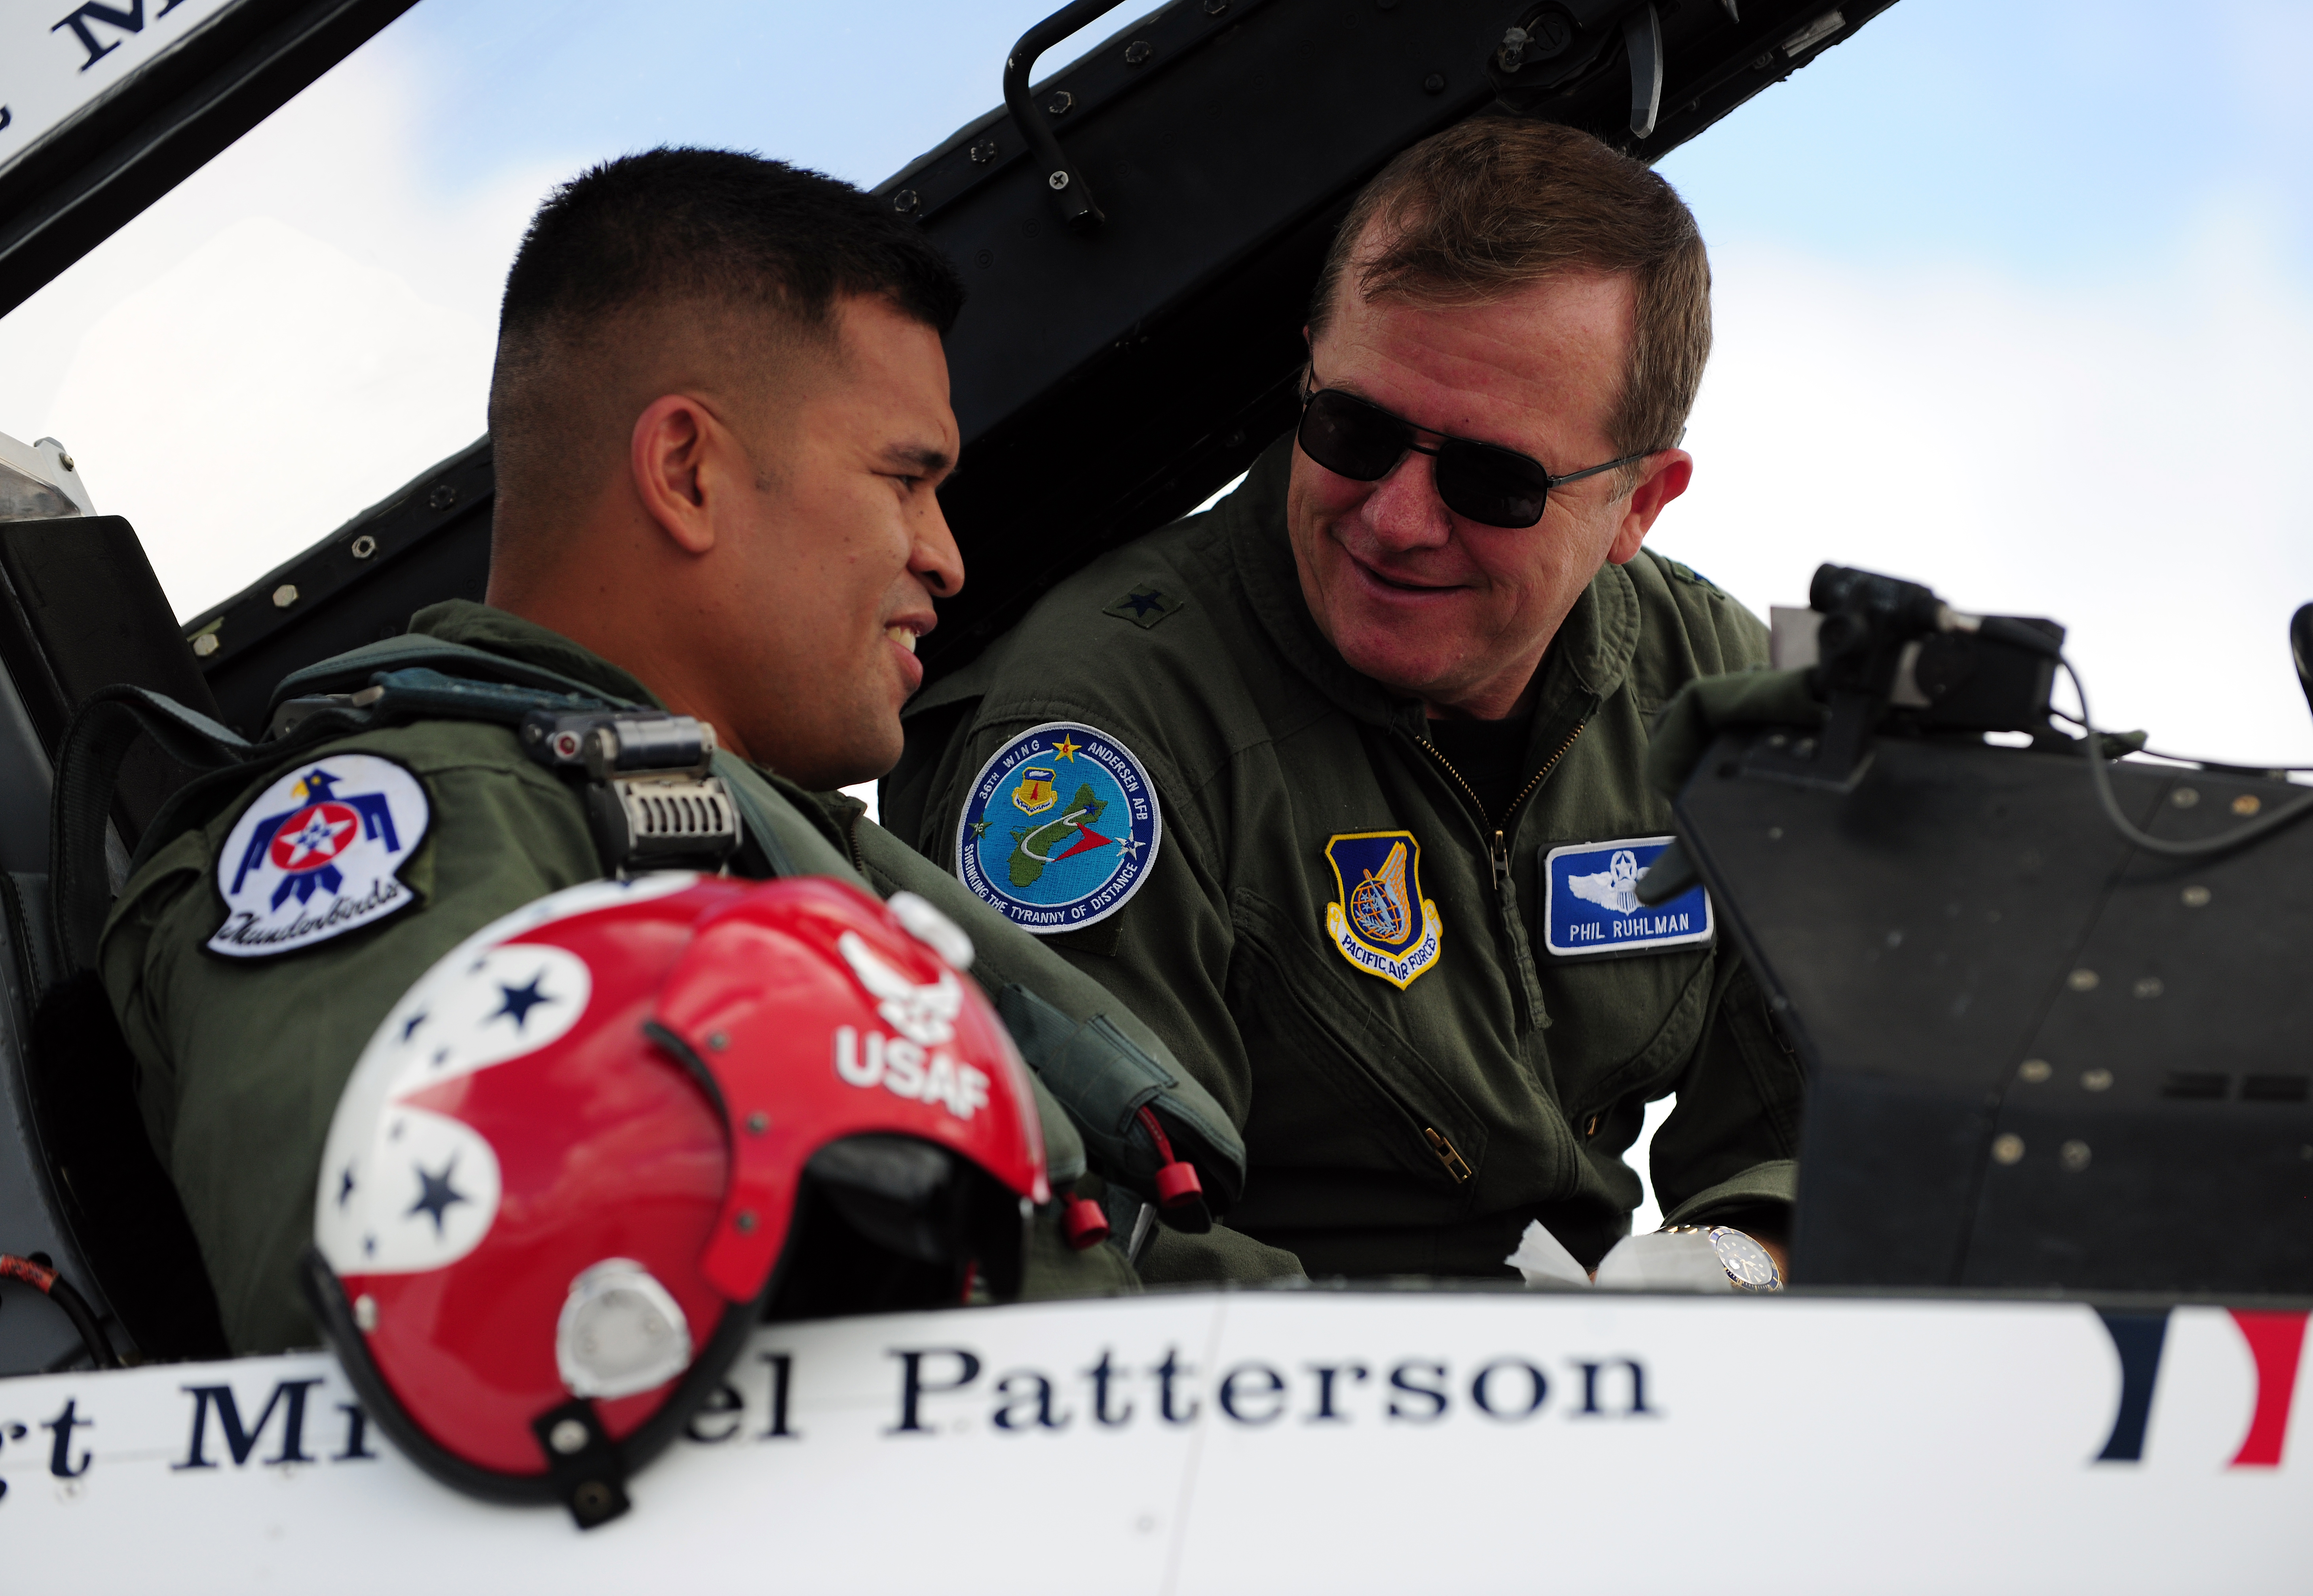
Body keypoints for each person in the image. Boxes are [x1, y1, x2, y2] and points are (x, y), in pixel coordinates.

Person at [100, 148, 1240, 1355]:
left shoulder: (736, 836)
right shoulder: (414, 829)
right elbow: (432, 1392)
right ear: (687, 471)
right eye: (905, 480)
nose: (946, 556)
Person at [887, 119, 1801, 1284]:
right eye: (1353, 431)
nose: (1398, 520)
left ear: (1639, 505)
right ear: (1306, 369)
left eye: (1492, 479)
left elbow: (1836, 1121)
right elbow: (1090, 1245)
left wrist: (1740, 1260)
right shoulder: (1100, 741)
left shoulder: (1712, 693)